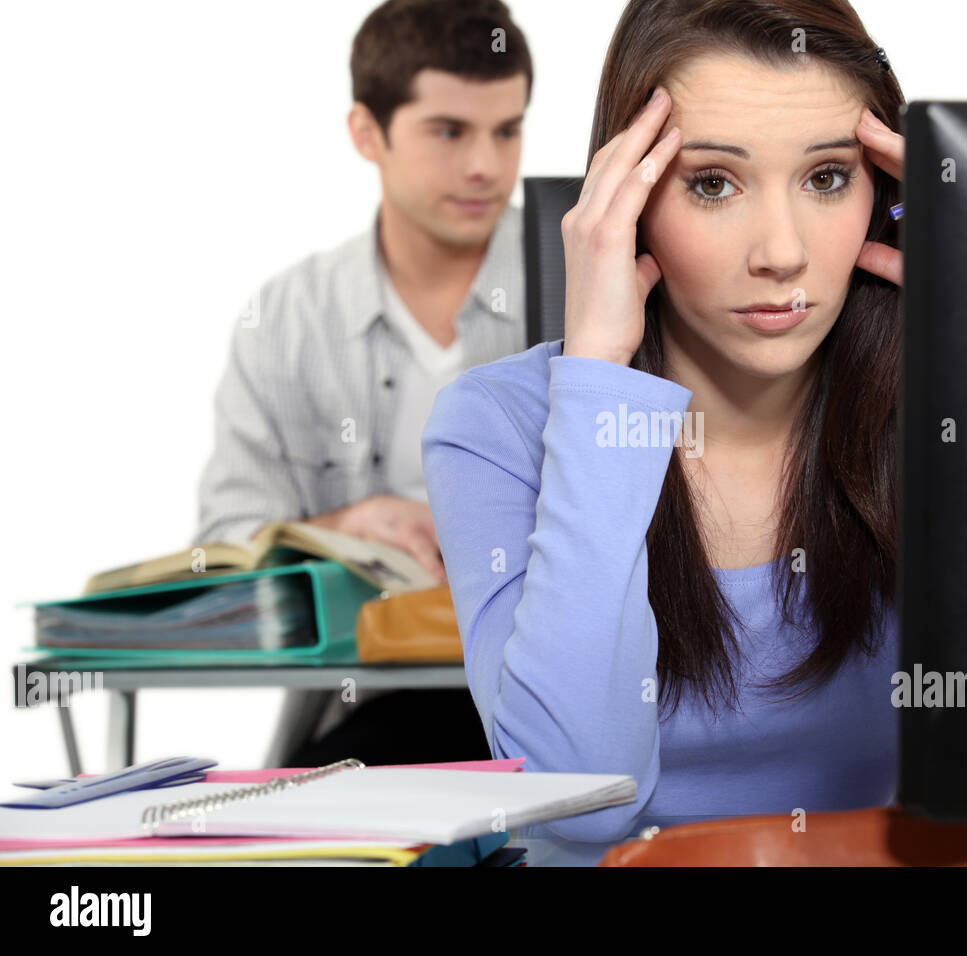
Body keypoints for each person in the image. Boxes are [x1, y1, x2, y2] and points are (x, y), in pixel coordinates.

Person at [423, 0, 905, 843]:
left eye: (827, 178)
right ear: (629, 200)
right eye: (714, 184)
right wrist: (599, 382)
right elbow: (581, 797)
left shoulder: (935, 401)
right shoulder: (494, 424)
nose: (782, 253)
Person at [194, 0, 533, 765]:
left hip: (549, 702)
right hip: (369, 712)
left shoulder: (591, 280)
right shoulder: (289, 316)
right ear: (366, 133)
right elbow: (218, 545)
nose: (486, 165)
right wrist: (348, 526)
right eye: (449, 131)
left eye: (506, 130)